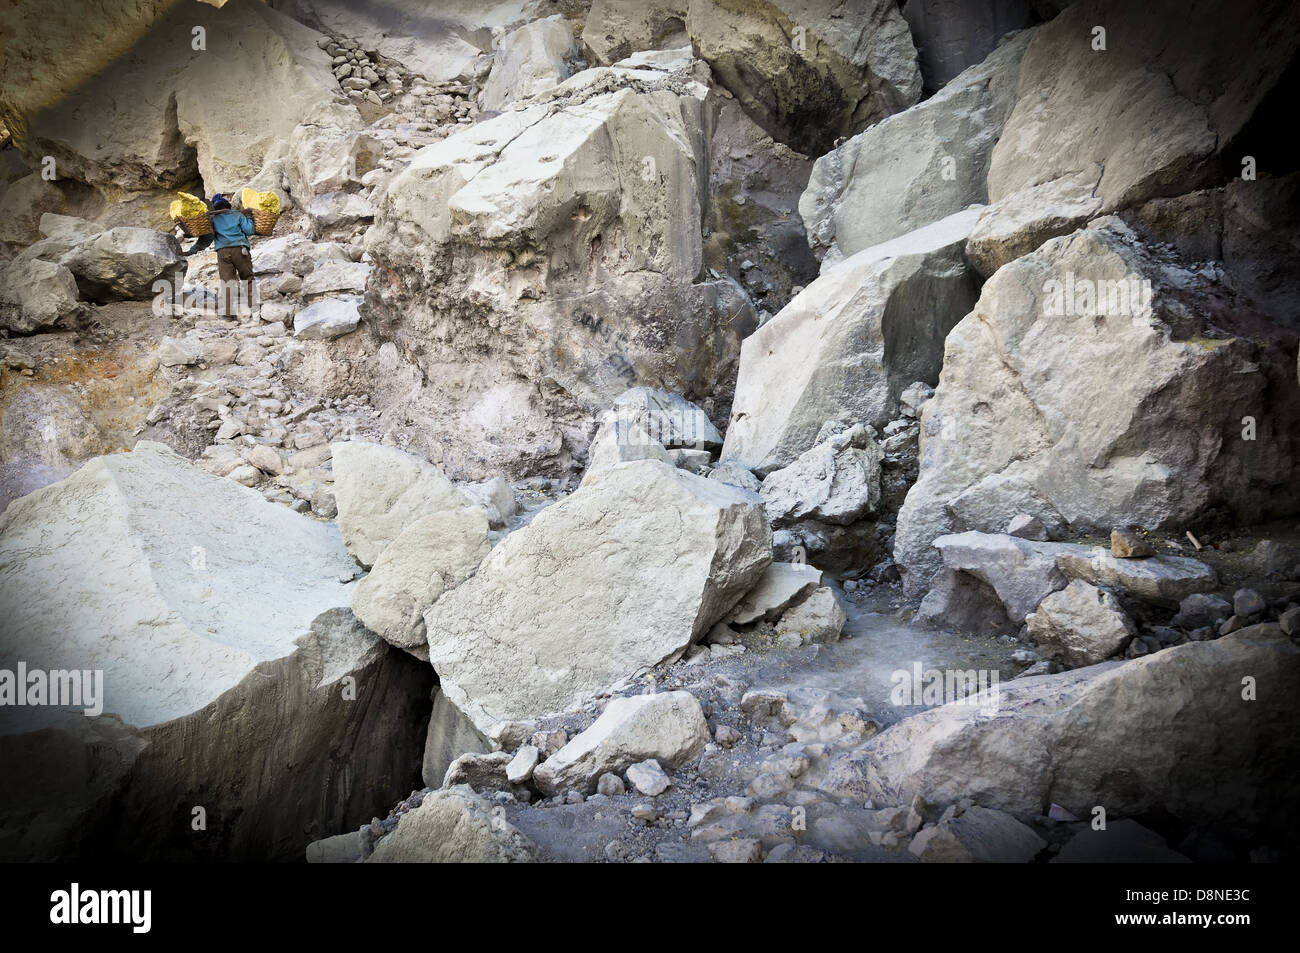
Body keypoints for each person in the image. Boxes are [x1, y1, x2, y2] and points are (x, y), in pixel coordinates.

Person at [208, 193, 258, 319]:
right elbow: (250, 231)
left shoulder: (213, 219)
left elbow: (206, 238)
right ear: (228, 206)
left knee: (227, 282)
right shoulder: (237, 215)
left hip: (223, 252)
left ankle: (229, 314)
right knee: (247, 277)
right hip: (240, 250)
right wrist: (249, 217)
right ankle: (254, 307)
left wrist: (192, 251)